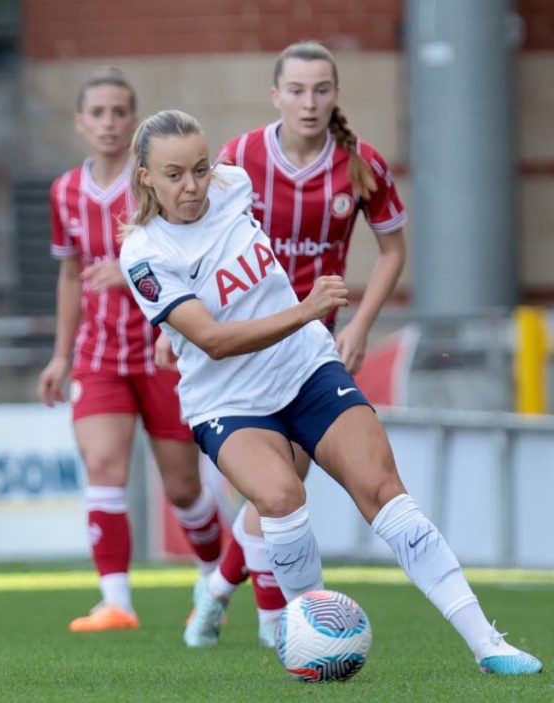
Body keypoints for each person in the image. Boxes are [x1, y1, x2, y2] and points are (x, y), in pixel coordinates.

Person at [119, 108, 542, 675]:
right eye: (175, 175)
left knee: (384, 489)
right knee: (279, 498)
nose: (193, 186)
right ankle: (310, 641)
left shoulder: (234, 184)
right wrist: (303, 310)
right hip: (228, 401)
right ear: (145, 175)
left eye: (200, 168)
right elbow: (215, 341)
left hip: (306, 370)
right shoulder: (145, 254)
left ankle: (487, 643)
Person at [155, 40, 409, 647]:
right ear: (276, 96)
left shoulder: (361, 164)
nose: (309, 101)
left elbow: (393, 253)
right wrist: (170, 330)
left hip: (311, 349)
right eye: (296, 89)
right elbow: (191, 245)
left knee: (279, 493)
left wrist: (360, 325)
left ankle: (227, 598)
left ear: (336, 96)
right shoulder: (238, 157)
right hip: (244, 345)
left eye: (321, 89)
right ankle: (263, 615)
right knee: (273, 494)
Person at [37, 68, 224, 641]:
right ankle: (115, 600)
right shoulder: (65, 191)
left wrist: (130, 268)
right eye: (98, 113)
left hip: (164, 351)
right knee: (103, 466)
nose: (110, 123)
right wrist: (60, 355)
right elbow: (71, 275)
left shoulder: (158, 183)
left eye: (120, 112)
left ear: (135, 121)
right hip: (100, 355)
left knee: (183, 488)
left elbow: (192, 252)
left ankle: (214, 579)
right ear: (81, 122)